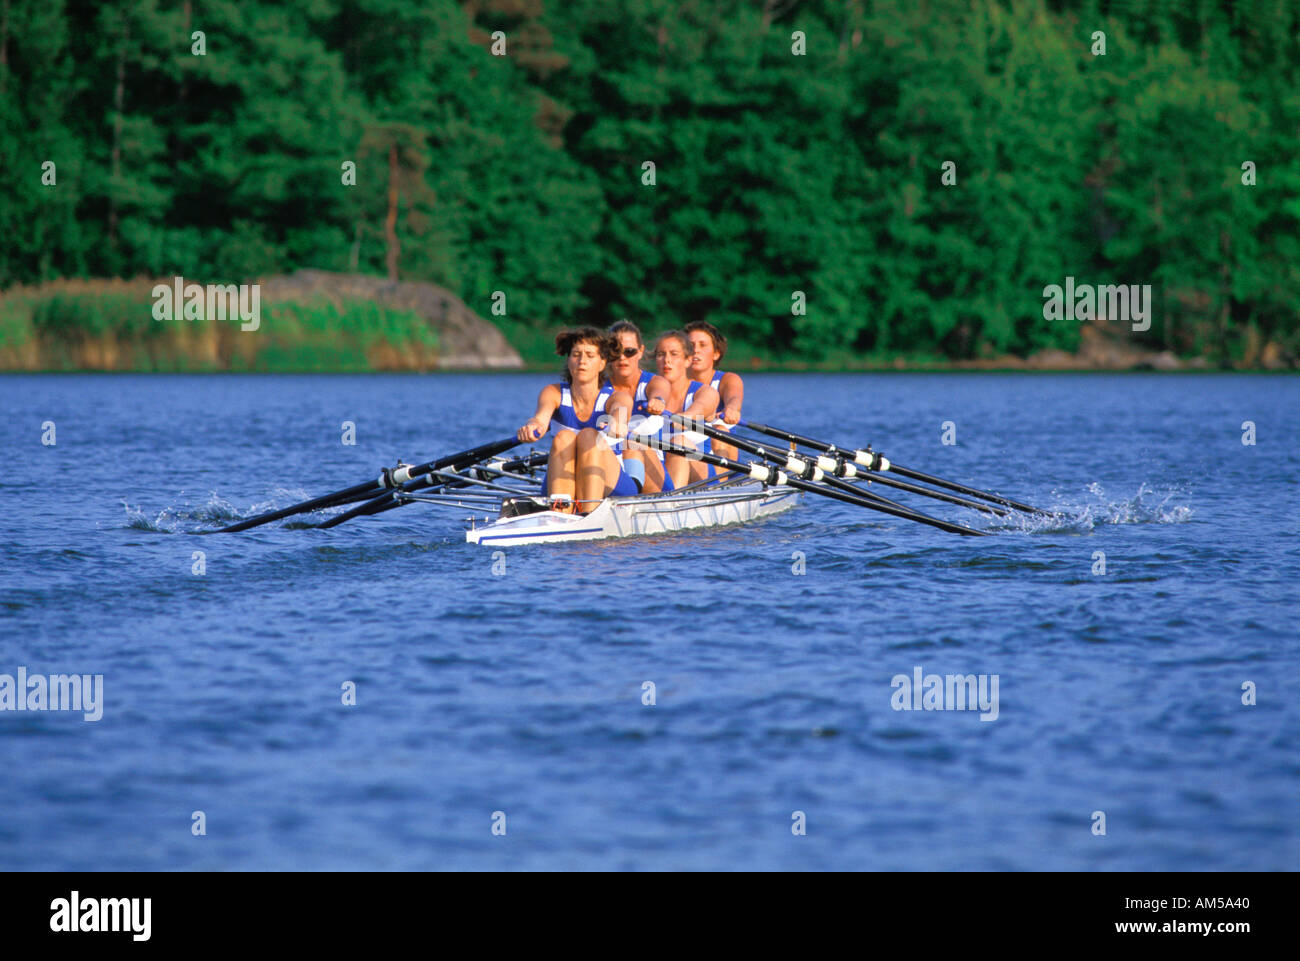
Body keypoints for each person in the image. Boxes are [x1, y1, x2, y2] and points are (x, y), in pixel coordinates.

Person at [516, 327, 640, 514]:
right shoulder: (554, 392)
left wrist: (618, 423)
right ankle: (560, 514)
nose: (582, 361)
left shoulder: (616, 397)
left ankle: (588, 514)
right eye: (576, 354)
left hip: (614, 486)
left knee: (589, 436)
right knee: (564, 437)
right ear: (569, 360)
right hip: (561, 481)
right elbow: (541, 417)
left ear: (601, 363)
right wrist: (534, 426)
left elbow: (620, 410)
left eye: (590, 355)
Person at [607, 320, 674, 493]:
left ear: (640, 352)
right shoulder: (599, 388)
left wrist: (658, 400)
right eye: (616, 352)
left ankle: (630, 492)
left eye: (629, 351)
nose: (622, 357)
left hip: (654, 474)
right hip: (609, 465)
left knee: (632, 441)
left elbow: (660, 390)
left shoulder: (653, 382)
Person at [653, 330, 719, 490]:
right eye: (661, 354)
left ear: (688, 360)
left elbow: (702, 406)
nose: (666, 360)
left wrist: (687, 417)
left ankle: (669, 503)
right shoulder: (649, 394)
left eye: (674, 354)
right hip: (660, 469)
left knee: (679, 442)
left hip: (701, 474)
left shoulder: (703, 392)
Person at [684, 320, 744, 471]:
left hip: (721, 455)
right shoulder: (672, 383)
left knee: (720, 431)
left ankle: (717, 486)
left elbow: (734, 397)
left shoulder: (727, 380)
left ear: (716, 353)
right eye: (690, 346)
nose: (695, 350)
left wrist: (732, 409)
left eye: (702, 345)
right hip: (686, 451)